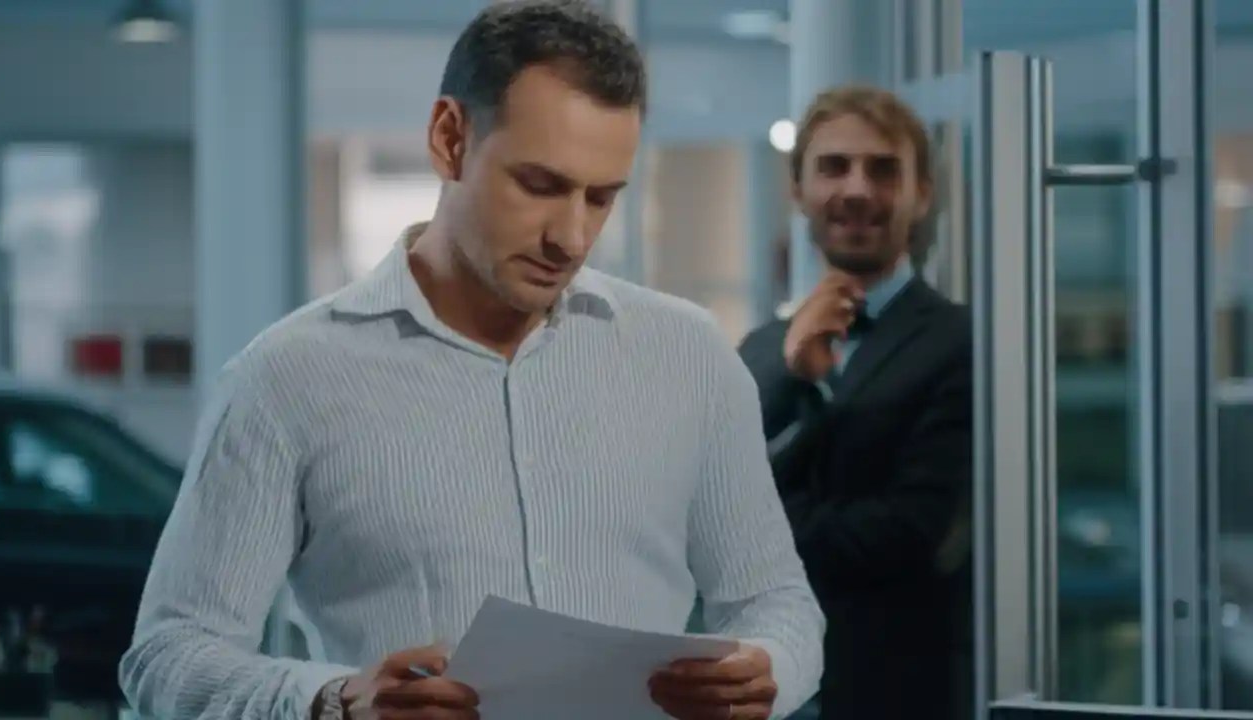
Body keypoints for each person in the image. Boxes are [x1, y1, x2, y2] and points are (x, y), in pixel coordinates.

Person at [119, 2, 824, 720]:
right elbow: (168, 655)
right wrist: (334, 701)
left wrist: (766, 669)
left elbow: (778, 603)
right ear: (450, 138)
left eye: (601, 198)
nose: (571, 238)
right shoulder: (285, 379)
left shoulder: (690, 357)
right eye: (540, 186)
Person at [739, 86, 973, 720]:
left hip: (893, 692)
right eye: (834, 167)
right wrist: (793, 375)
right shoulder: (761, 350)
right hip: (760, 691)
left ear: (921, 194)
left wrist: (757, 535)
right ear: (799, 190)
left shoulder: (962, 341)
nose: (858, 189)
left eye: (884, 170)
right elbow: (708, 501)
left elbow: (909, 533)